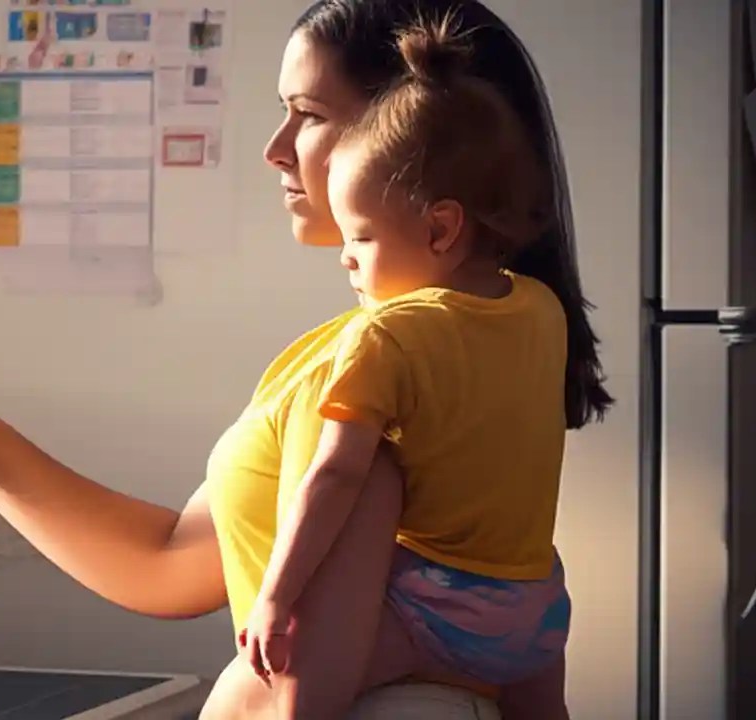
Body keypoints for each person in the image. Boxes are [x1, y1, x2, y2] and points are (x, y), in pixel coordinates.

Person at [0, 1, 610, 717]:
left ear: (412, 138)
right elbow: (171, 562)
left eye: (307, 116)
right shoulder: (430, 344)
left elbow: (316, 657)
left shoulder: (373, 364)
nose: (276, 151)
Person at [236, 10, 611, 720]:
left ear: (440, 227)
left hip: (441, 610)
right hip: (537, 613)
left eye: (362, 236)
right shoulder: (541, 310)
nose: (347, 256)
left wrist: (275, 599)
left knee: (263, 699)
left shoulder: (384, 339)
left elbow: (337, 474)